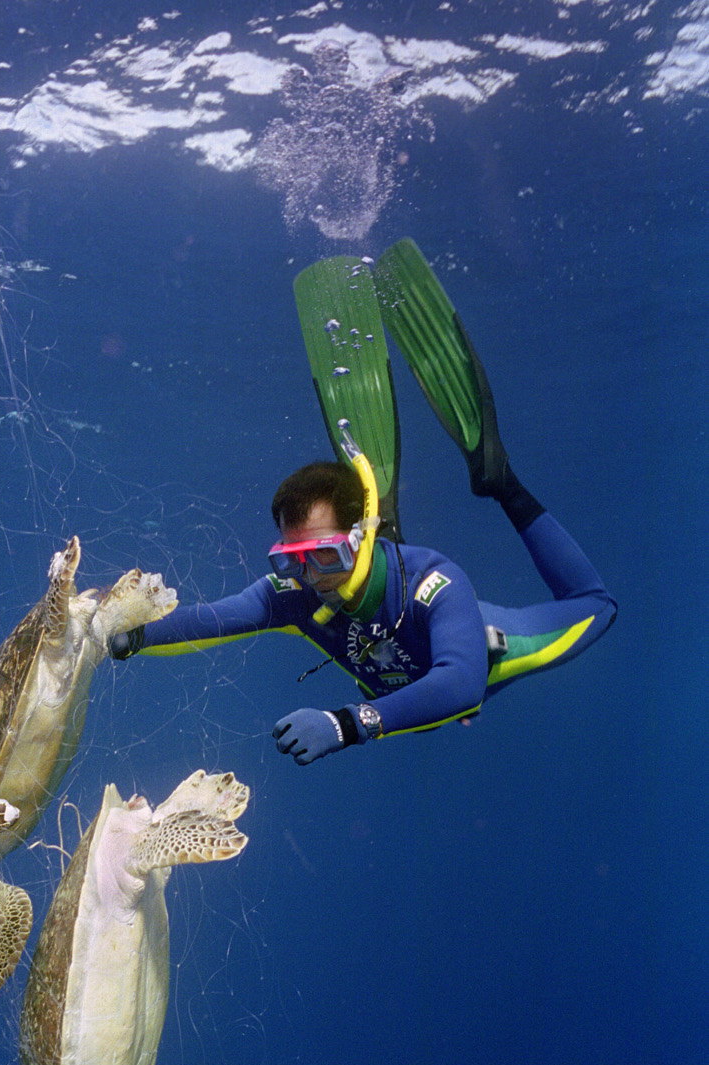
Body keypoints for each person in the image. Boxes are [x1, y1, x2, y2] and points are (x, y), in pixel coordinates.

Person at [109, 240, 615, 763]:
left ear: (355, 538)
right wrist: (127, 636)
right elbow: (215, 617)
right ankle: (384, 528)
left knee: (596, 609)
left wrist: (349, 723)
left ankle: (501, 481)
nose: (310, 575)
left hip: (484, 647)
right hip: (398, 654)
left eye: (325, 555)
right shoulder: (297, 592)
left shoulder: (434, 584)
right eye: (291, 559)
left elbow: (462, 683)